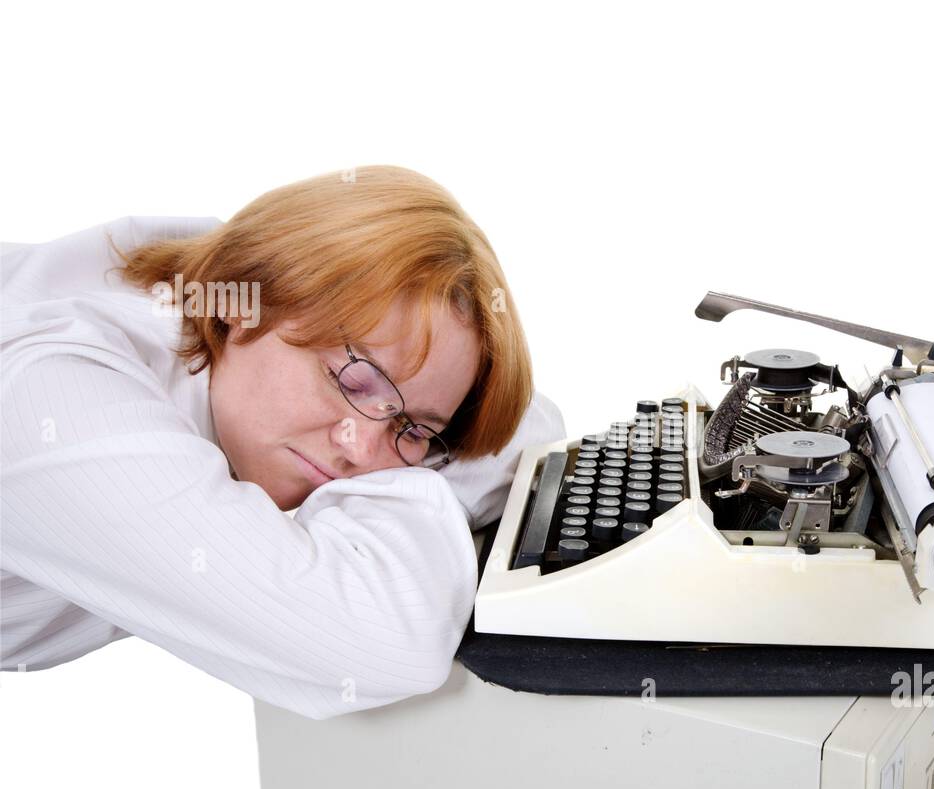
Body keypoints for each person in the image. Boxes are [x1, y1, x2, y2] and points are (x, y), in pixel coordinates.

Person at [0, 166, 565, 719]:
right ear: (244, 314)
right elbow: (381, 642)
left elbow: (524, 429)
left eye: (413, 429)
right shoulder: (56, 390)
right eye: (354, 381)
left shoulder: (247, 292)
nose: (361, 450)